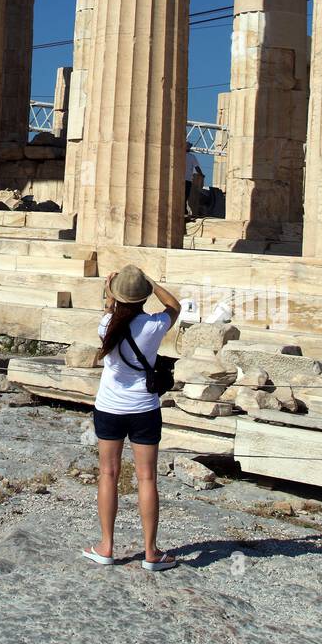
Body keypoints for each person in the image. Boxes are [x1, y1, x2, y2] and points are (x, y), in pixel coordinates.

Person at [83, 264, 181, 571]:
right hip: (144, 409)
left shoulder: (105, 325)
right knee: (147, 478)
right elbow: (174, 306)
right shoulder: (154, 326)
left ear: (115, 297)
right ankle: (151, 552)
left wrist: (111, 289)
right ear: (142, 296)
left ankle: (106, 546)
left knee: (108, 474)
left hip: (109, 408)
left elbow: (110, 308)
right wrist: (149, 282)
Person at [185, 141, 203, 217]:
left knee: (183, 196)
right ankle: (184, 210)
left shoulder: (178, 154)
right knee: (185, 196)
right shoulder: (192, 157)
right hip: (188, 179)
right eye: (189, 146)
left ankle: (184, 210)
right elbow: (197, 168)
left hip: (180, 179)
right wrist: (201, 175)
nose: (190, 148)